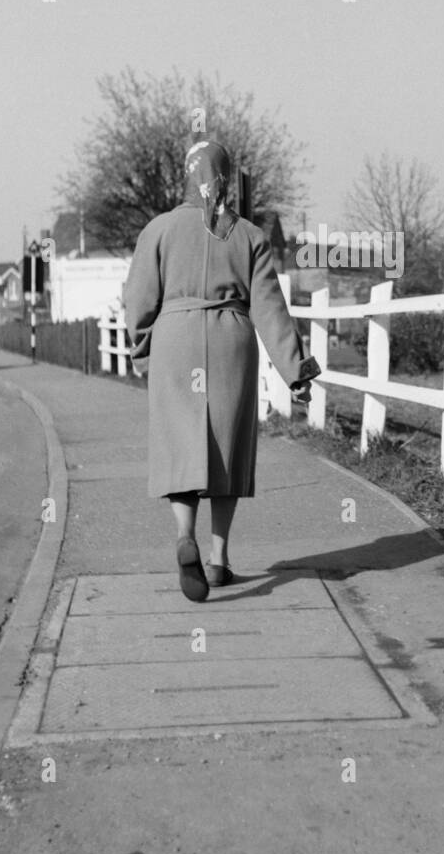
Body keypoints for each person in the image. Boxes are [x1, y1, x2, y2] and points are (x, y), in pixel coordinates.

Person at [122, 140, 319, 602]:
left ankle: (183, 533)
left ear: (186, 176)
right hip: (231, 338)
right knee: (225, 450)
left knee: (182, 446)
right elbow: (271, 309)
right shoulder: (249, 236)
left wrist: (143, 349)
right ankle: (218, 560)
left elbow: (137, 300)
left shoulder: (159, 230)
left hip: (175, 339)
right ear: (227, 178)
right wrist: (295, 371)